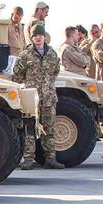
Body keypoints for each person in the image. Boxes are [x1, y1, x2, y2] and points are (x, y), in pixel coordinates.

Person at [13, 24, 63, 170]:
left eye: (40, 35)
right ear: (32, 38)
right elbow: (17, 75)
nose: (38, 38)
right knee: (30, 128)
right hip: (31, 98)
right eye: (35, 35)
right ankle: (28, 159)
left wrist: (46, 85)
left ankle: (50, 158)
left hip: (48, 98)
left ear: (44, 36)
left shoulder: (52, 54)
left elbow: (55, 71)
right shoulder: (25, 55)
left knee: (49, 129)